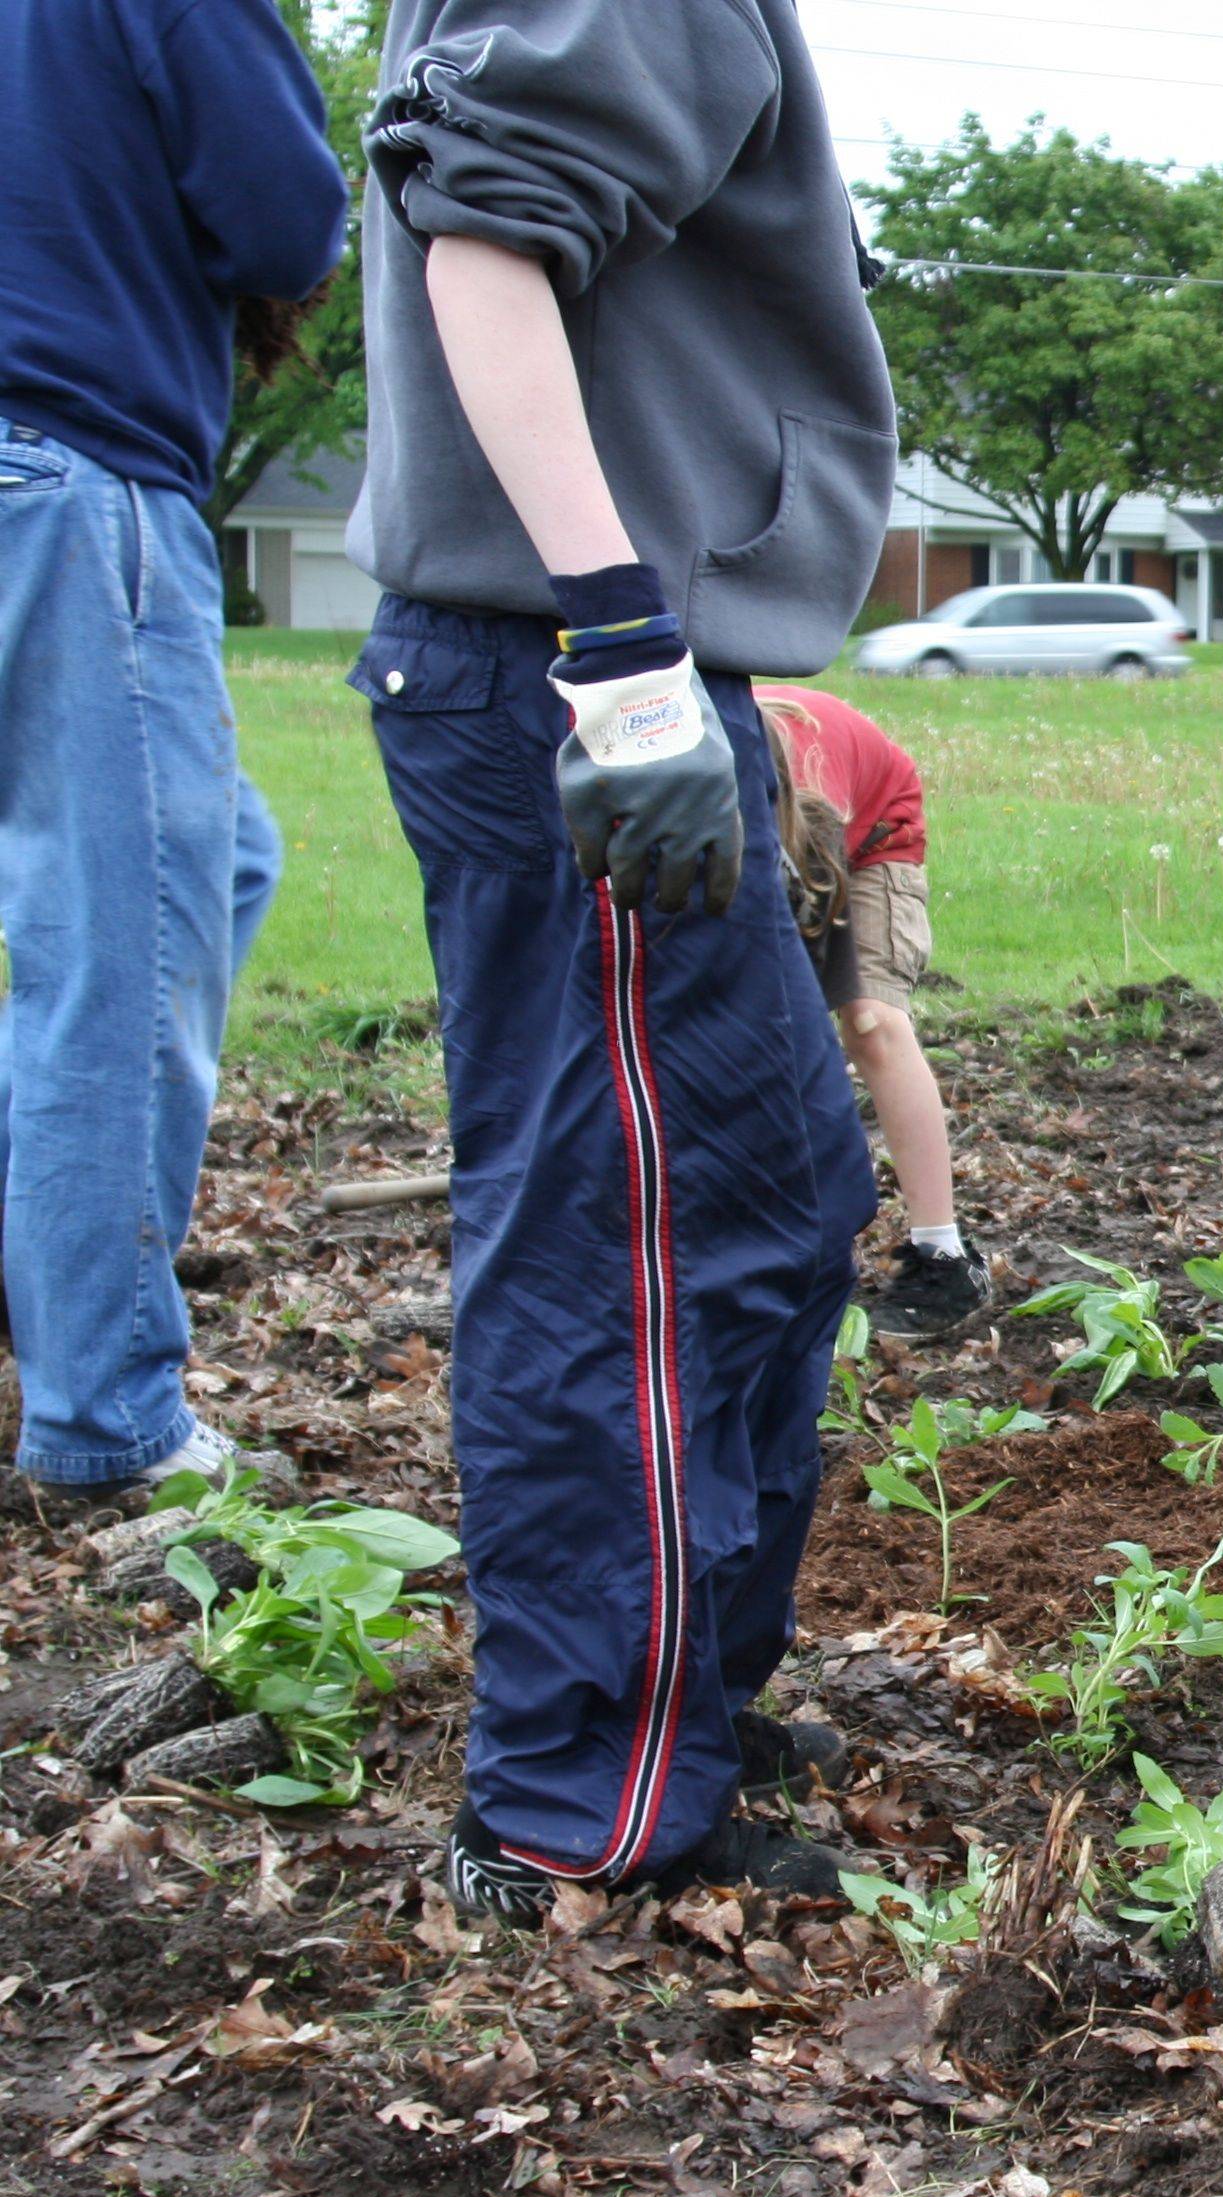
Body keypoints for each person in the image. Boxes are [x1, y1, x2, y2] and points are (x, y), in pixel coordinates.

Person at [345, 0, 893, 1916]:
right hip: (576, 672)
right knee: (627, 1238)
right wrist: (619, 641)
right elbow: (482, 233)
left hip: (605, 663)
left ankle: (682, 1703)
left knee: (776, 1194)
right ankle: (580, 1796)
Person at [0, 0, 346, 1502]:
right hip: (64, 468)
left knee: (222, 861)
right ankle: (108, 1422)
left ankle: (46, 1268)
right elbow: (285, 219)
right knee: (119, 947)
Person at [756, 688, 984, 1337]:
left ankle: (945, 1258)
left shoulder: (809, 799)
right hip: (766, 823)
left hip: (871, 827)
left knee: (871, 1023)